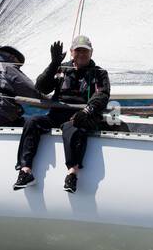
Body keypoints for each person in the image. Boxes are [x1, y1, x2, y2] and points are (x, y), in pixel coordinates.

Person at [13, 35, 110, 193]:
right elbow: (42, 87)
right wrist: (53, 64)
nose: (81, 54)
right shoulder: (62, 69)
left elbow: (102, 95)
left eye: (85, 51)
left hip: (81, 117)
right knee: (32, 121)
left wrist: (87, 110)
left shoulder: (99, 74)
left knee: (73, 127)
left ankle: (72, 174)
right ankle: (25, 171)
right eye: (78, 51)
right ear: (72, 52)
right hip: (56, 116)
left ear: (91, 53)